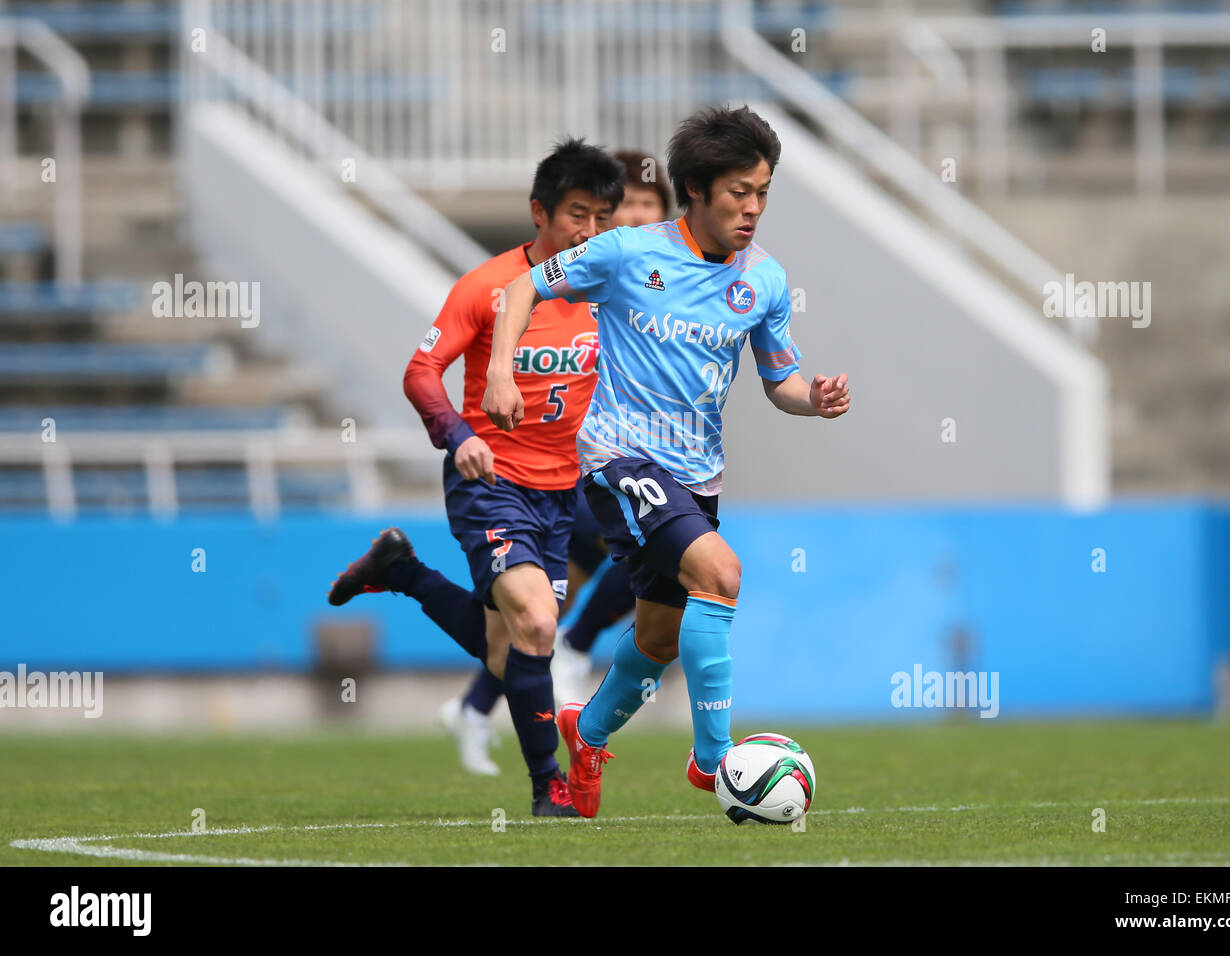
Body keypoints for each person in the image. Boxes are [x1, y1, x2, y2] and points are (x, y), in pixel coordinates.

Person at [483, 106, 851, 818]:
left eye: (764, 192)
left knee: (657, 638)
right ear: (697, 188)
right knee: (722, 571)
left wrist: (818, 397)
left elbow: (782, 382)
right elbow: (522, 286)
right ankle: (715, 764)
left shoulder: (765, 282)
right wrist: (501, 373)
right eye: (739, 191)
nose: (753, 207)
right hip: (620, 458)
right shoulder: (626, 253)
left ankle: (585, 735)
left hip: (697, 476)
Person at [326, 139, 624, 816]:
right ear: (538, 213)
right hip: (490, 482)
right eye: (577, 214)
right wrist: (457, 435)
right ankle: (549, 786)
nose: (589, 231)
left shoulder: (609, 292)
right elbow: (420, 372)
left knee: (507, 655)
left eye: (602, 218)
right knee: (540, 626)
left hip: (560, 494)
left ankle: (401, 571)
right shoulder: (487, 286)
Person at [549, 149, 674, 707]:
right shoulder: (585, 276)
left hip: (645, 454)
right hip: (569, 454)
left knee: (661, 552)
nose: (636, 216)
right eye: (625, 206)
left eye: (650, 205)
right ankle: (560, 652)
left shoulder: (669, 285)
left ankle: (574, 649)